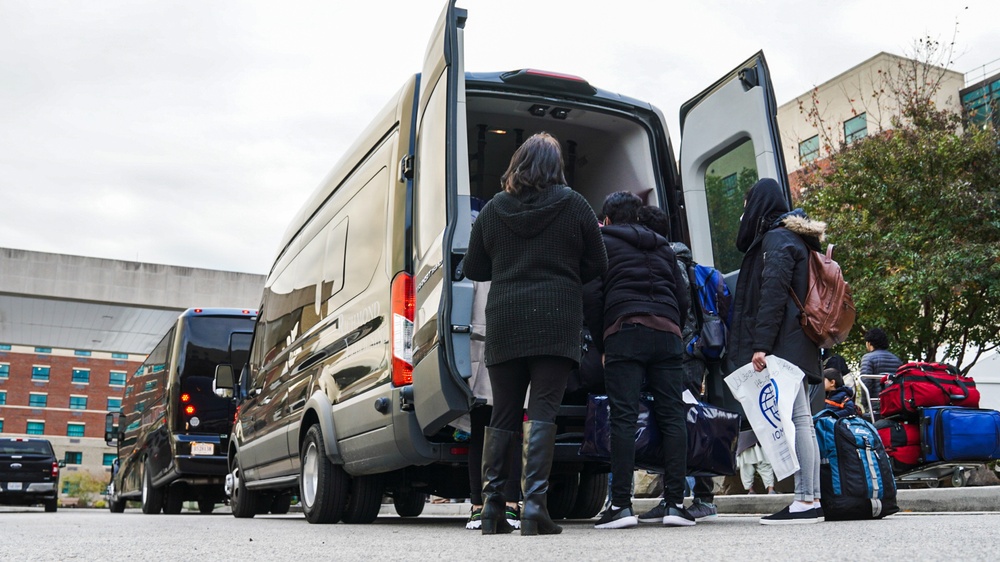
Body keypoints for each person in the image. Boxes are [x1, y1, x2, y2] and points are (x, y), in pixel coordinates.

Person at [463, 132, 607, 536]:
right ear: (555, 166)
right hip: (556, 320)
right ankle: (534, 509)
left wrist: (511, 267)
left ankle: (492, 509)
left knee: (503, 412)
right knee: (542, 411)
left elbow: (474, 268)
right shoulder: (574, 204)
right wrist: (563, 276)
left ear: (518, 165)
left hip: (506, 320)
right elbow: (599, 261)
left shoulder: (493, 210)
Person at [586, 192, 692, 529]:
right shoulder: (662, 245)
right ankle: (676, 503)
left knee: (624, 418)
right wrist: (674, 324)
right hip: (668, 332)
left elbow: (592, 294)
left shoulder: (602, 242)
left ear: (606, 219)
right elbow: (681, 293)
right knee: (673, 415)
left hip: (625, 330)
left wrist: (602, 334)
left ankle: (621, 505)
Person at [727, 177, 824, 525]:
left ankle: (804, 499)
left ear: (759, 205)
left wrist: (761, 346)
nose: (743, 212)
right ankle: (809, 498)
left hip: (784, 345)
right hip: (800, 342)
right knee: (803, 422)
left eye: (746, 204)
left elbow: (772, 296)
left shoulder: (777, 239)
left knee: (798, 422)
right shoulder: (796, 238)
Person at [639, 205, 725, 522]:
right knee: (692, 421)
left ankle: (690, 496)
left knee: (678, 423)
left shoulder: (668, 262)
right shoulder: (690, 263)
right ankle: (698, 495)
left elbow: (678, 307)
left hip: (681, 354)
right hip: (697, 355)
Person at [463, 280, 522, 530]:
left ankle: (480, 507)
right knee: (513, 432)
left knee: (480, 433)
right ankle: (510, 505)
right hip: (514, 347)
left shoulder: (481, 253)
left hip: (483, 346)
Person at [859, 328, 903, 400]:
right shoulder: (897, 359)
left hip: (877, 402)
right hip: (895, 403)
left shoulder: (868, 358)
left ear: (869, 343)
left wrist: (865, 403)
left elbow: (866, 383)